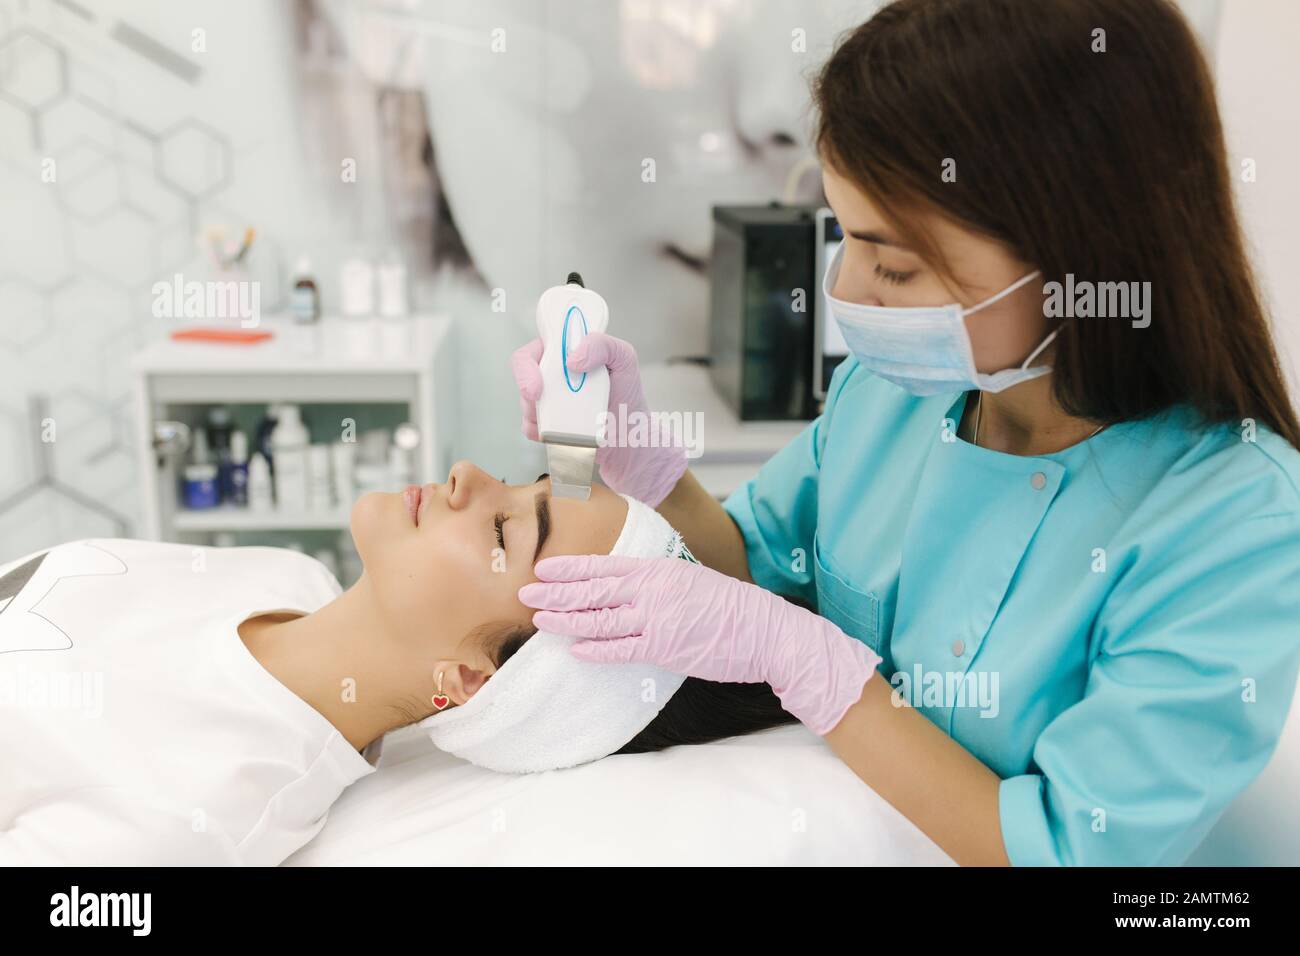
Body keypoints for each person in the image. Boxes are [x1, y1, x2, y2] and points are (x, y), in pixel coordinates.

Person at [512, 0, 1300, 866]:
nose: (850, 292)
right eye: (843, 237)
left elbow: (1072, 854)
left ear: (1086, 254)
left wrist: (817, 669)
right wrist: (651, 471)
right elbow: (753, 571)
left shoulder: (1237, 525)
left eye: (894, 263)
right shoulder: (891, 397)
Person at [0, 462, 790, 865]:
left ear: (472, 680)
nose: (470, 477)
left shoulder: (199, 806)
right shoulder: (284, 577)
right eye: (522, 480)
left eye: (507, 529)